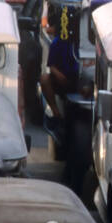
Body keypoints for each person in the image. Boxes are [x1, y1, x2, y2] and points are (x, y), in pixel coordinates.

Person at [39, 12, 80, 149]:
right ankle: (56, 113)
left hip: (78, 82)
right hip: (61, 80)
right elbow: (51, 66)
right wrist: (59, 75)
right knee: (44, 79)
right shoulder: (57, 43)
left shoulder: (81, 44)